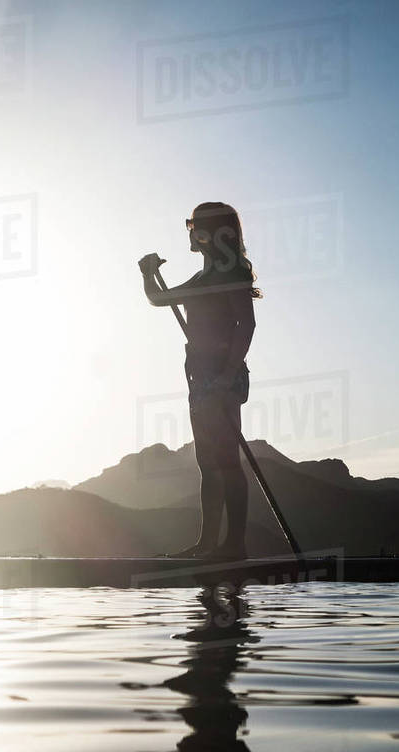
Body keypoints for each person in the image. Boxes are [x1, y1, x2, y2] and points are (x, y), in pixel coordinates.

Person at [139, 202, 261, 560]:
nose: (189, 232)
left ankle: (234, 546)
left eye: (193, 225)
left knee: (225, 460)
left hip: (222, 378)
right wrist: (147, 272)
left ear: (208, 233)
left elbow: (247, 325)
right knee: (207, 462)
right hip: (199, 379)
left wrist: (226, 377)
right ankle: (208, 545)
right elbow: (160, 299)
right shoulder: (200, 280)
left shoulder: (231, 275)